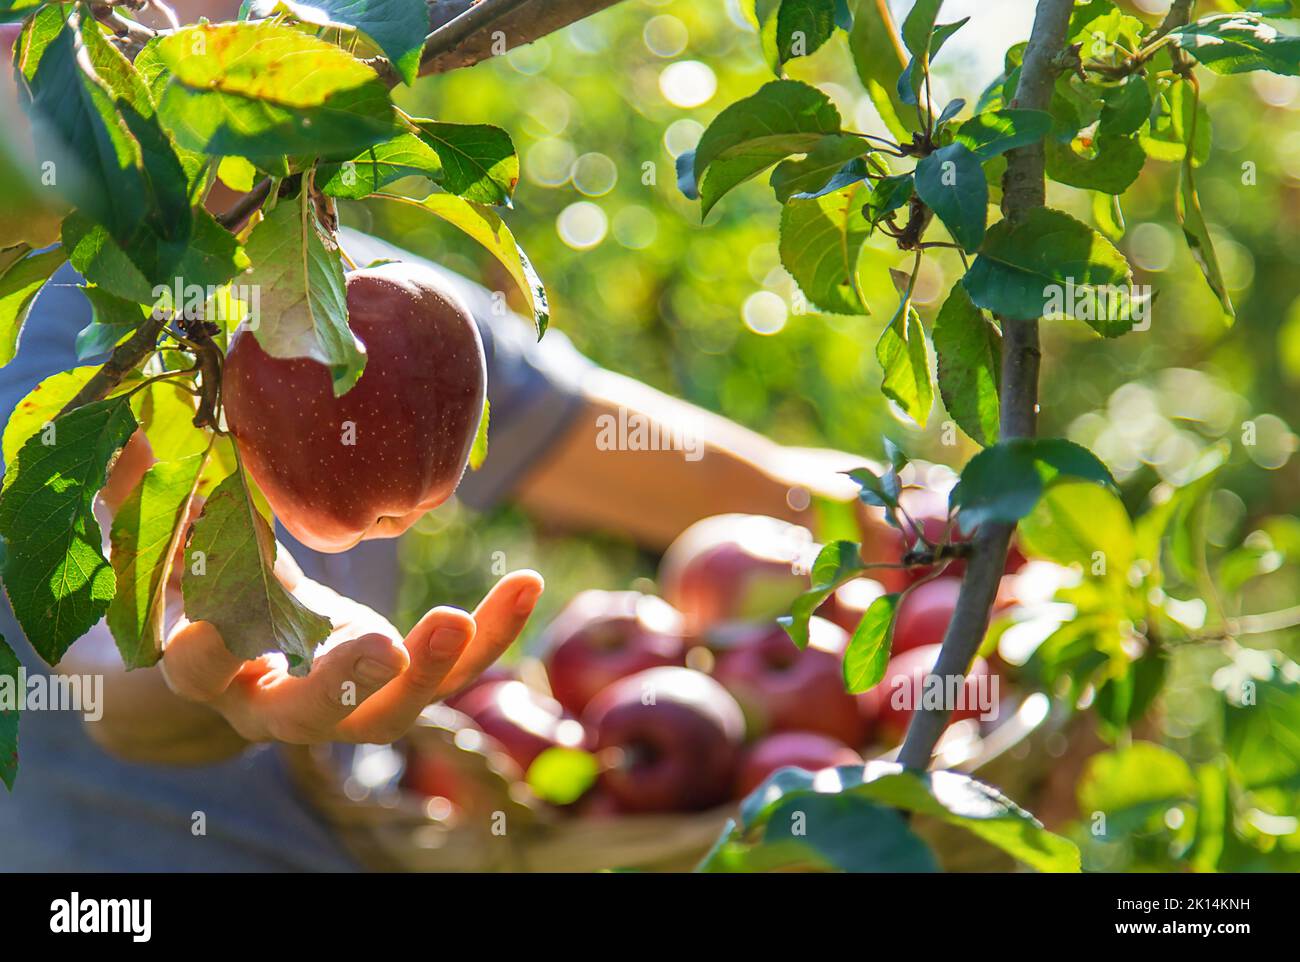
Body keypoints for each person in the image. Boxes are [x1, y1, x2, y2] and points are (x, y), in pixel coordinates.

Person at [0, 5, 866, 872]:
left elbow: (668, 465)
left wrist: (904, 519)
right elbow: (110, 682)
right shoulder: (53, 339)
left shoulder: (367, 290)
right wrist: (217, 655)